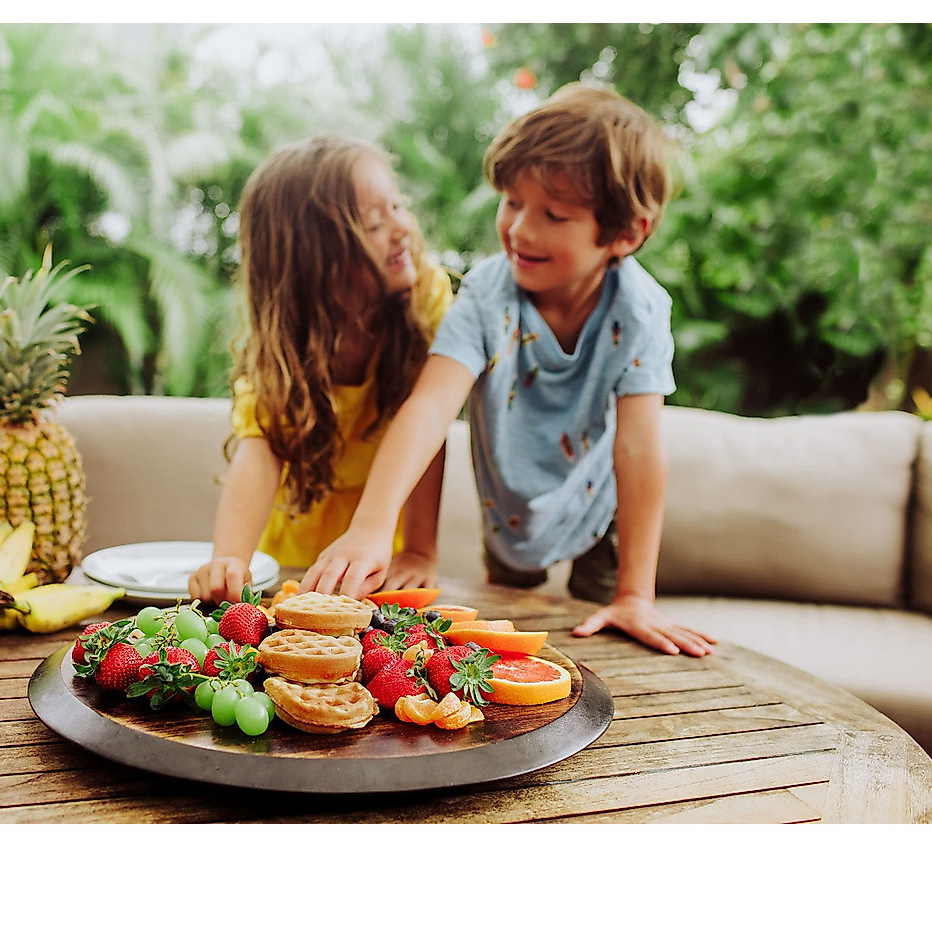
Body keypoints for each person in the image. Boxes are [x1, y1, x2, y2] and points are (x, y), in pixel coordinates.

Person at [301, 85, 717, 657]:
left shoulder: (641, 311)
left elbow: (640, 450)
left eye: (554, 214)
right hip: (511, 510)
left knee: (606, 649)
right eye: (512, 202)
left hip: (601, 510)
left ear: (626, 233)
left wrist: (636, 594)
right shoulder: (486, 295)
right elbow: (428, 409)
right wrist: (377, 528)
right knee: (498, 640)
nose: (520, 229)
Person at [188, 134, 454, 605]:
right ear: (317, 260)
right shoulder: (281, 345)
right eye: (374, 223)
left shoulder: (425, 301)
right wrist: (230, 558)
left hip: (375, 539)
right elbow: (261, 449)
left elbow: (427, 426)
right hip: (293, 541)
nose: (402, 228)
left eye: (397, 205)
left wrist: (419, 548)